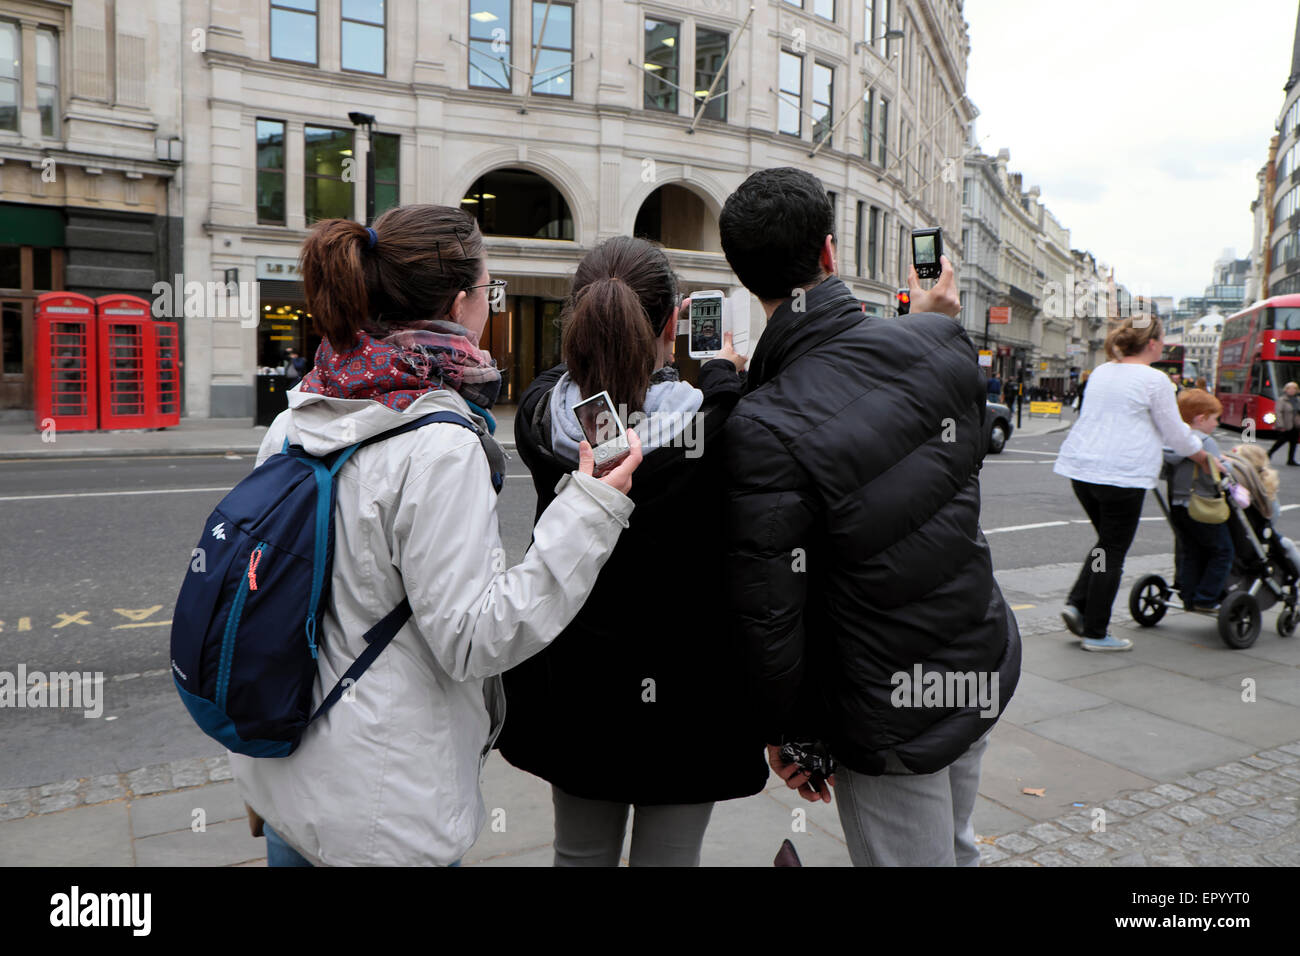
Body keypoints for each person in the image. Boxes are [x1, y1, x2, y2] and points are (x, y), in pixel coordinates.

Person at [229, 205, 642, 867]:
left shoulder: (302, 412)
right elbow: (475, 639)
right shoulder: (439, 446)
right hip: (378, 815)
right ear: (461, 304)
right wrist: (591, 508)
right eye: (488, 291)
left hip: (285, 778)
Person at [716, 167, 1020, 867]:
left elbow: (770, 611)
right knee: (957, 849)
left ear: (746, 278)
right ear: (829, 254)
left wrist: (788, 729)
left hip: (884, 704)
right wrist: (925, 326)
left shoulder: (762, 419)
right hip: (977, 658)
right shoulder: (940, 347)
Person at [499, 236, 767, 866]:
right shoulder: (715, 423)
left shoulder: (542, 418)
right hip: (684, 692)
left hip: (578, 683)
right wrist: (723, 369)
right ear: (673, 323)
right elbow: (721, 409)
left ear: (579, 320)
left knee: (578, 856)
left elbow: (574, 395)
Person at [1055, 315, 1209, 651]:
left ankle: (1077, 604)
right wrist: (1202, 455)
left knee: (1106, 543)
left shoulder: (1102, 371)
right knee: (1113, 550)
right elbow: (1176, 434)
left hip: (1082, 470)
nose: (1165, 344)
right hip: (1121, 475)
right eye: (1163, 339)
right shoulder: (1155, 381)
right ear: (1152, 343)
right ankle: (1095, 632)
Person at [1162, 389, 1233, 612]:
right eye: (1214, 419)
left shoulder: (1171, 441)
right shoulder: (1204, 442)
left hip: (1178, 505)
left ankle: (1189, 595)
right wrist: (1226, 464)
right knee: (1222, 551)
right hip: (1202, 505)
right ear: (1200, 418)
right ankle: (1207, 597)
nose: (1216, 424)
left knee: (1191, 550)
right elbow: (1217, 475)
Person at [1267, 381, 1300, 466]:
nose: (1292, 390)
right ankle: (1269, 453)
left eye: (1294, 389)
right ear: (1286, 390)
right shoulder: (1282, 400)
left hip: (1296, 425)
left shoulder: (1298, 400)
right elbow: (1278, 413)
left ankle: (1291, 460)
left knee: (1293, 443)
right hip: (1286, 425)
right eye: (1290, 388)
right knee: (1281, 441)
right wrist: (1280, 425)